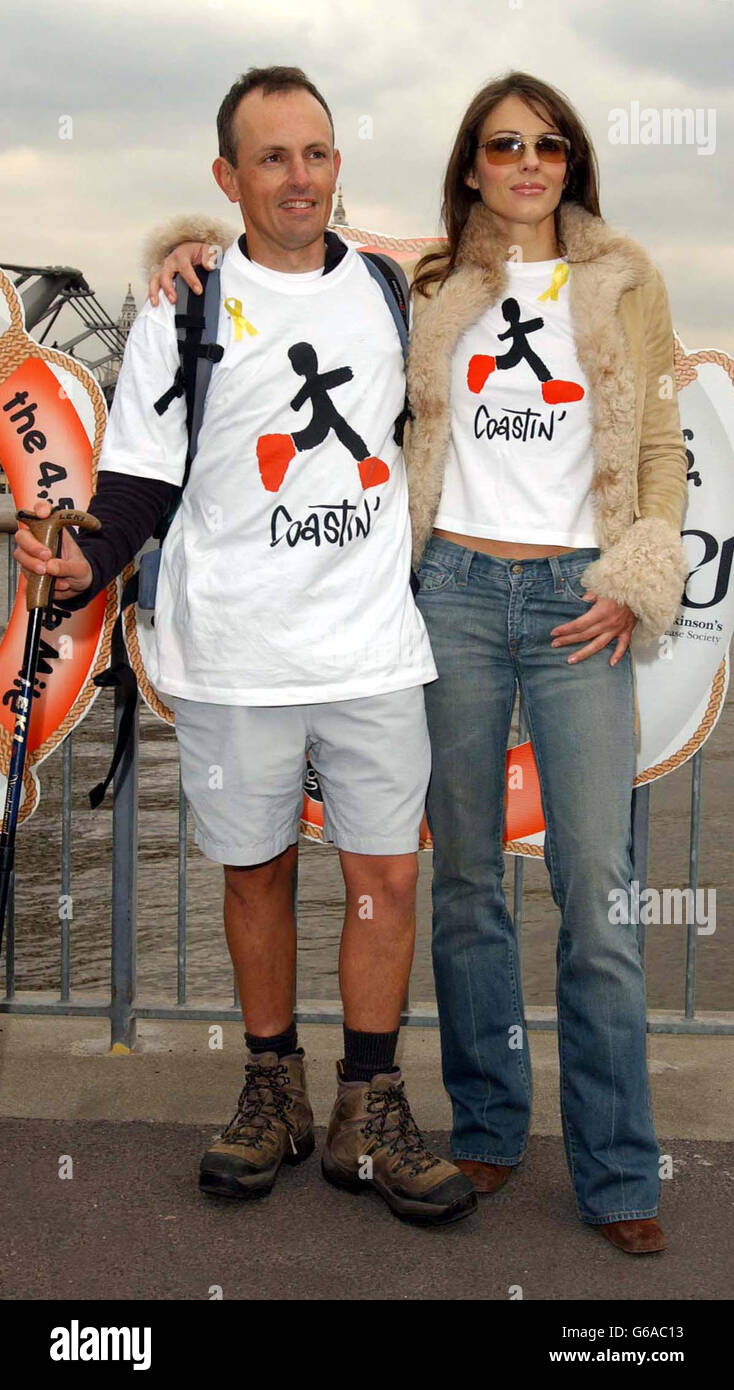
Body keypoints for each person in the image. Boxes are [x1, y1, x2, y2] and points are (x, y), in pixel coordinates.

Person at [144, 70, 689, 1254]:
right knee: (460, 888)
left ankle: (613, 1169)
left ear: (573, 159)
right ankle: (485, 1128)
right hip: (444, 592)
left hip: (575, 604)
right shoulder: (428, 279)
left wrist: (638, 576)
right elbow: (286, 242)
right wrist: (185, 244)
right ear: (472, 164)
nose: (527, 162)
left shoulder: (624, 277)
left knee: (596, 899)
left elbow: (656, 439)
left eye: (548, 144)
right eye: (503, 144)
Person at [13, 66, 476, 1228]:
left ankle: (368, 1099)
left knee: (382, 878)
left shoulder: (384, 289)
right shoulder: (185, 304)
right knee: (254, 871)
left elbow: (504, 269)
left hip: (372, 645)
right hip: (234, 651)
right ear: (228, 178)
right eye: (270, 158)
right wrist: (91, 559)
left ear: (336, 166)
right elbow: (137, 474)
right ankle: (270, 1085)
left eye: (315, 153)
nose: (298, 176)